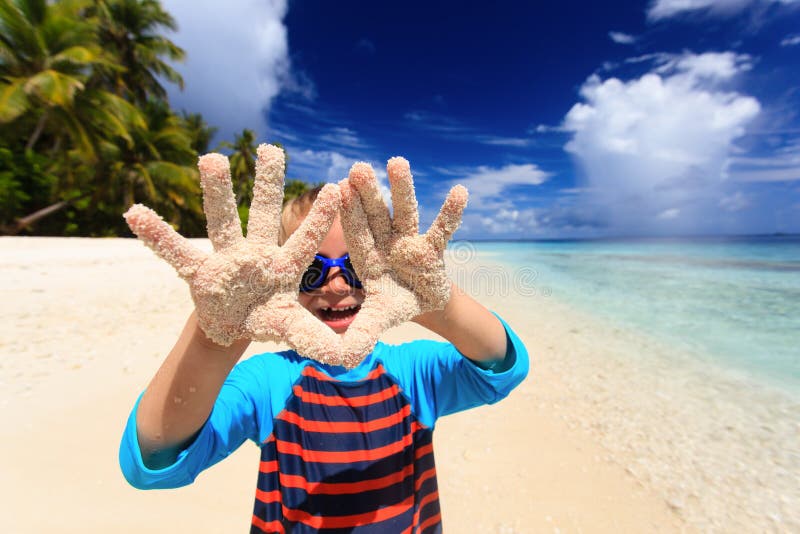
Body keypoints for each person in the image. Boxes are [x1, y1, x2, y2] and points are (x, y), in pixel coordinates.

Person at [119, 144, 529, 533]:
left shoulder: (413, 371)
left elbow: (501, 366)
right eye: (309, 271)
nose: (334, 286)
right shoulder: (266, 382)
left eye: (356, 268)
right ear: (278, 279)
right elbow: (157, 459)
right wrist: (214, 340)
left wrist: (436, 302)